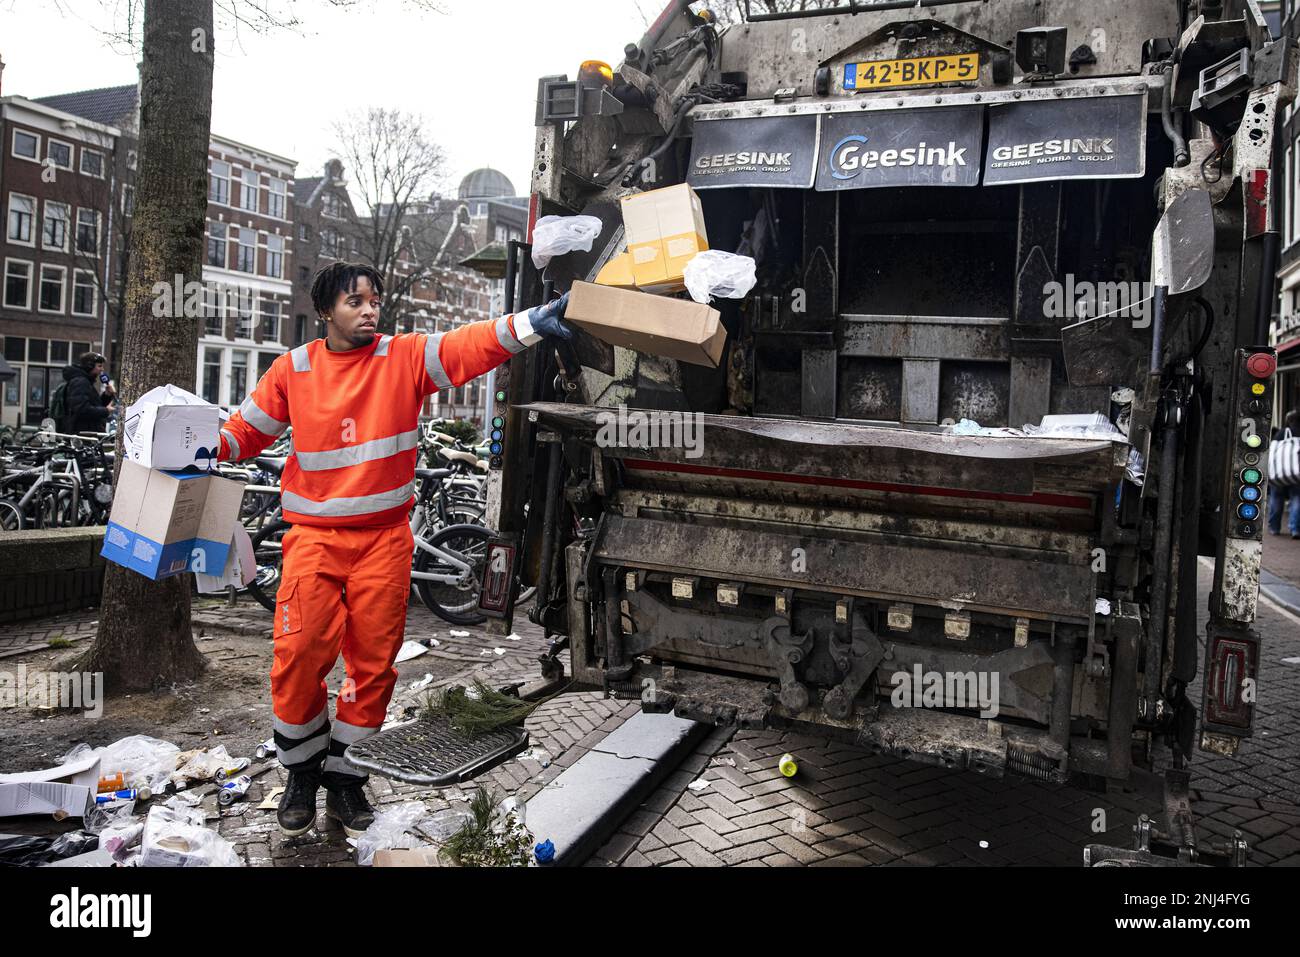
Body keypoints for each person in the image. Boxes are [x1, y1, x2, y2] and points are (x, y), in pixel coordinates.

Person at [217, 262, 572, 837]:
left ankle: (346, 778)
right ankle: (301, 772)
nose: (369, 310)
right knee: (299, 652)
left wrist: (531, 322)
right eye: (355, 302)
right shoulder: (294, 369)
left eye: (374, 301)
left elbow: (468, 345)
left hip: (384, 540)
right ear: (325, 311)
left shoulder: (401, 358)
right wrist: (203, 446)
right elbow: (245, 431)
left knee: (373, 667)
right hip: (313, 538)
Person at [58, 352, 115, 434]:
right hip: (83, 435)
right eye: (99, 366)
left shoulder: (86, 382)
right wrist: (105, 411)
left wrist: (106, 396)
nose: (102, 369)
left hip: (87, 432)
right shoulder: (80, 382)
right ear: (90, 366)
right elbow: (82, 409)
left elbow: (94, 406)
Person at [1268, 410, 1300, 539]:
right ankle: (1295, 529)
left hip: (1279, 472)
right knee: (1297, 498)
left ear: (1289, 421)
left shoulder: (1281, 433)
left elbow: (1273, 453)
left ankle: (1274, 528)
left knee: (1276, 498)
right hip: (1297, 473)